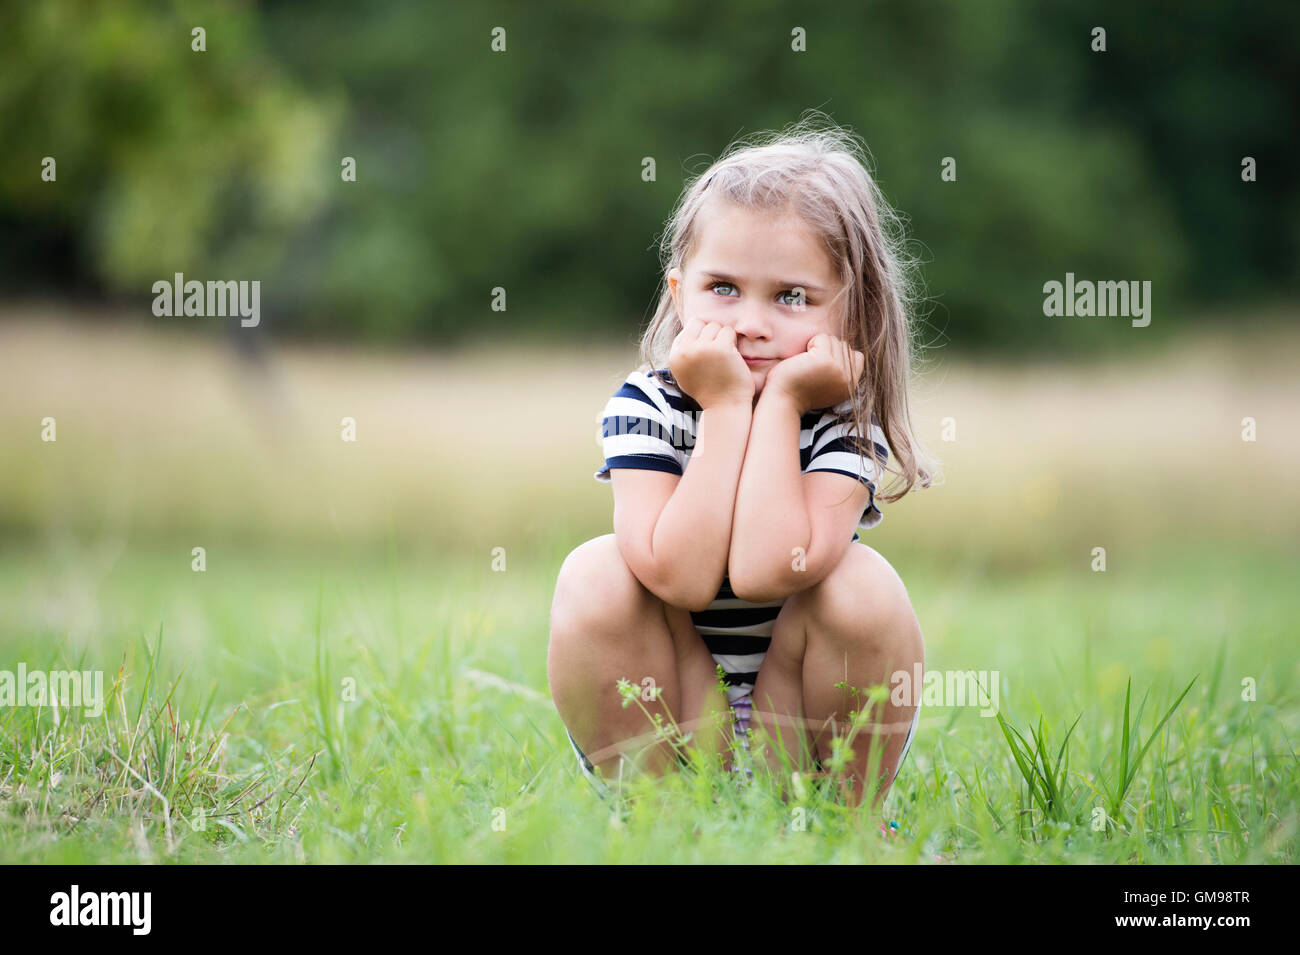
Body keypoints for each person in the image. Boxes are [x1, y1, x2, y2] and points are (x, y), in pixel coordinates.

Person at [547, 114, 940, 809]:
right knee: (594, 572)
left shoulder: (842, 422)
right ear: (678, 294)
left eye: (792, 297)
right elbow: (679, 575)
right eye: (722, 287)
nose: (750, 322)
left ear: (852, 314)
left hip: (799, 730)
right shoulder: (647, 407)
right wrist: (727, 408)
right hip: (676, 718)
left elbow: (769, 567)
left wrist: (783, 400)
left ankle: (840, 827)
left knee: (862, 584)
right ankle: (662, 826)